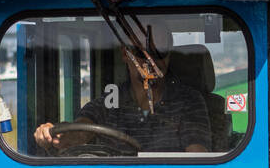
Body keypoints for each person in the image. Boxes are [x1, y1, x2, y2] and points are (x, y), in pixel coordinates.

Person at [34, 21, 210, 155]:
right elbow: (80, 131)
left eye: (160, 51)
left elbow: (197, 158)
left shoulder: (188, 101)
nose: (151, 61)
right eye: (141, 52)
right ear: (126, 54)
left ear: (169, 55)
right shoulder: (110, 101)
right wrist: (54, 134)